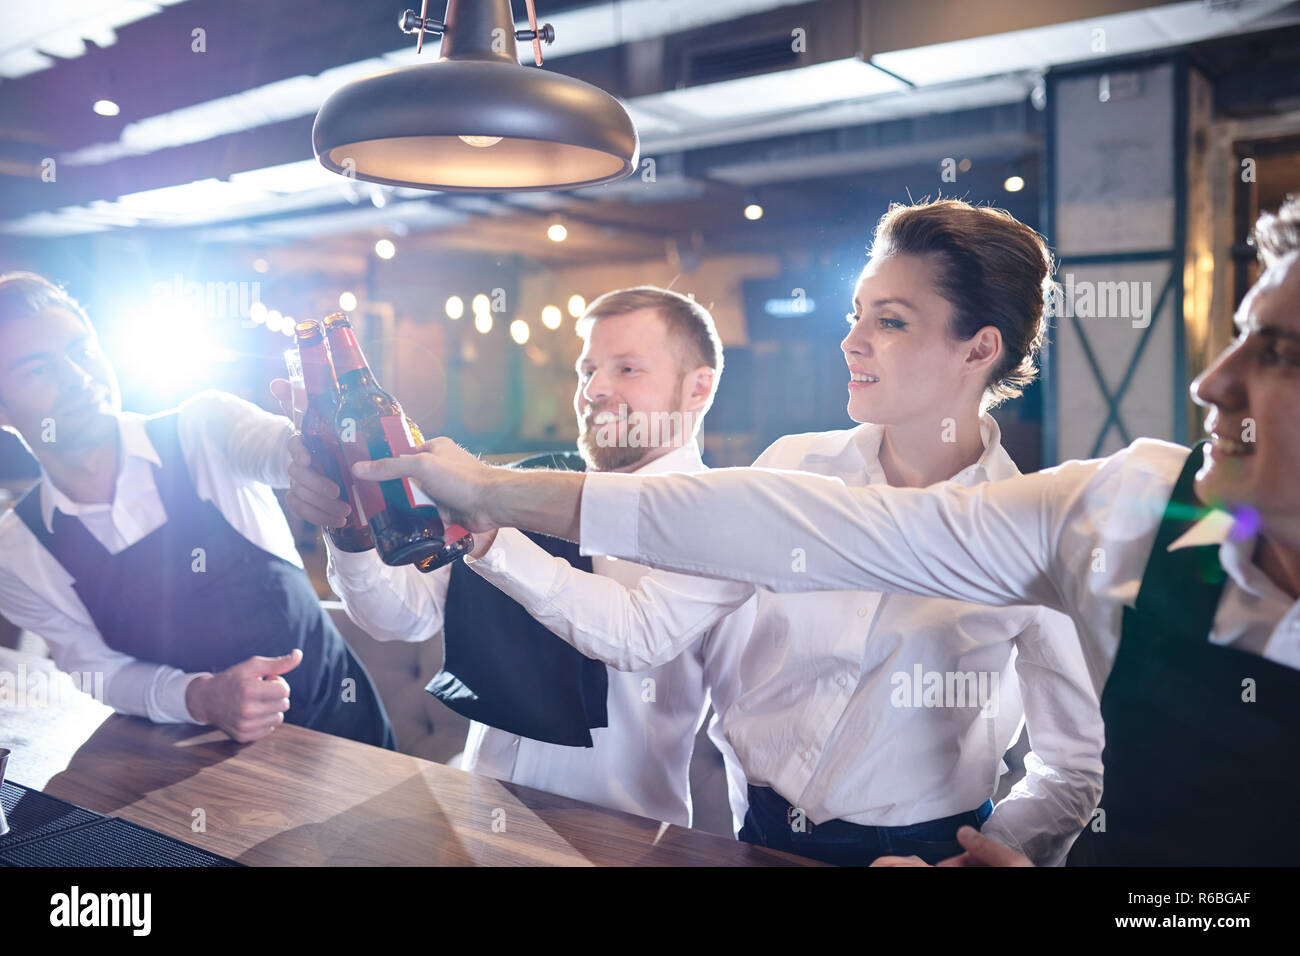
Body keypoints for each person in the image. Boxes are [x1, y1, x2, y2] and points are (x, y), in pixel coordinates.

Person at [361, 197, 1300, 865]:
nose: (851, 342)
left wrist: (986, 856)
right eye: (857, 316)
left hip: (920, 851)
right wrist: (488, 521)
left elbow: (1070, 765)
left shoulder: (1045, 531)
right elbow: (642, 629)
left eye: (890, 322)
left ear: (979, 349)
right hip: (750, 838)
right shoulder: (794, 468)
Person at [282, 287, 754, 832]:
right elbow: (401, 617)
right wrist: (348, 528)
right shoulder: (519, 486)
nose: (595, 390)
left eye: (627, 369)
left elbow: (651, 650)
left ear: (699, 387)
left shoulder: (716, 521)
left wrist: (492, 535)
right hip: (473, 816)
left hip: (618, 840)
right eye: (587, 370)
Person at [0, 272, 393, 749]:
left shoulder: (203, 428)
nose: (79, 379)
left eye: (82, 352)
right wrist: (202, 697)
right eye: (38, 370)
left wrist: (311, 450)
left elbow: (273, 448)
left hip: (345, 743)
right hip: (185, 772)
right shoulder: (16, 552)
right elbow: (97, 669)